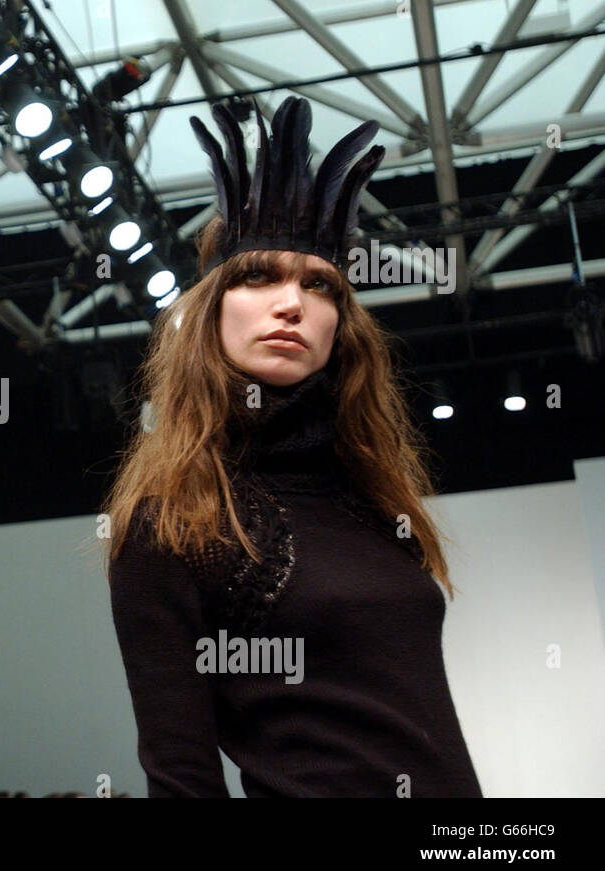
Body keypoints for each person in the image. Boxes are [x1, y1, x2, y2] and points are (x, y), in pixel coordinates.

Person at [104, 96, 482, 798]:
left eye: (319, 285)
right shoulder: (175, 523)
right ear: (213, 310)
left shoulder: (375, 500)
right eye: (259, 276)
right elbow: (181, 777)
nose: (291, 303)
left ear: (342, 322)